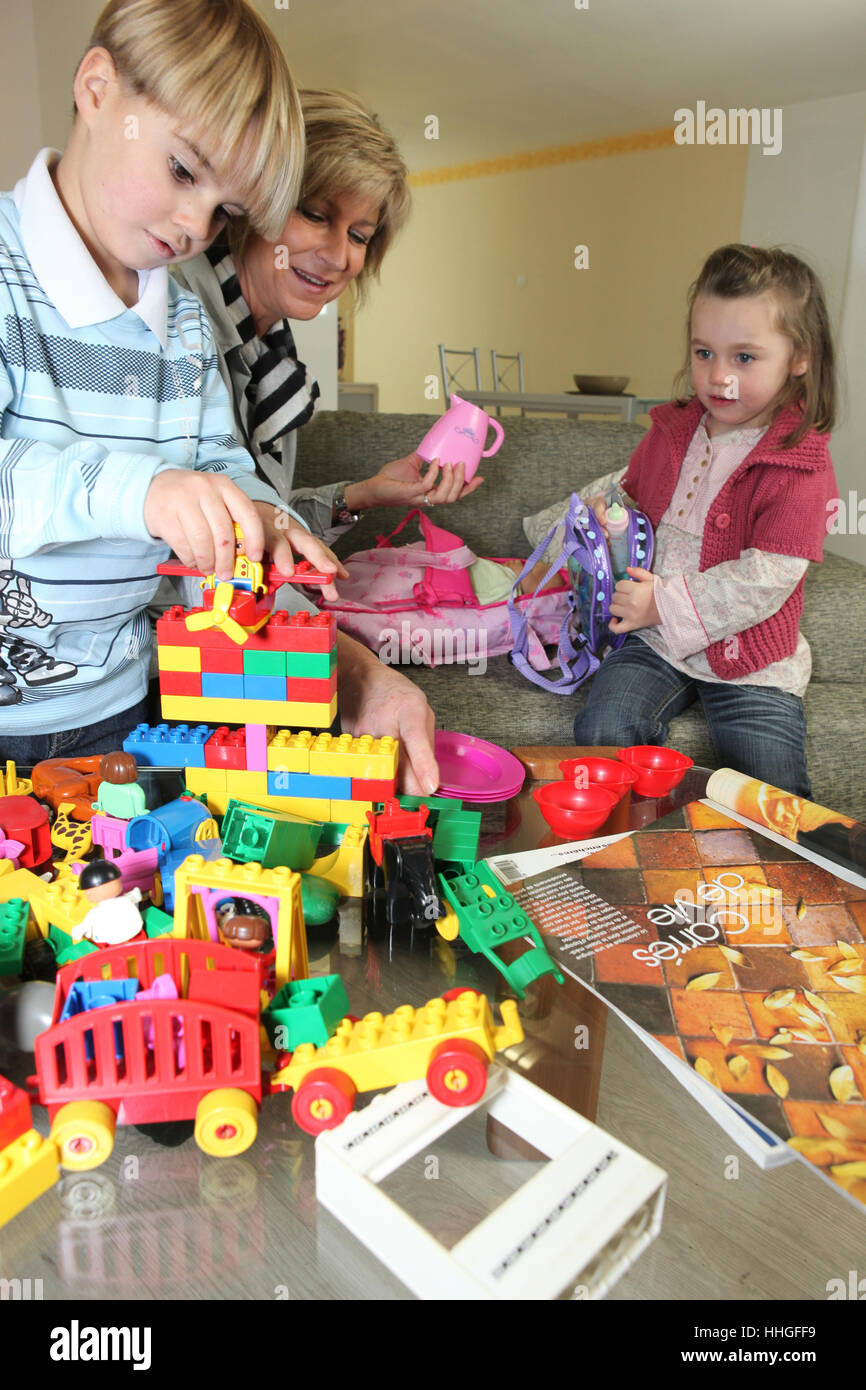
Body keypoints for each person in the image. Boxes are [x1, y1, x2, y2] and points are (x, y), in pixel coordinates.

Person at [0, 0, 344, 762]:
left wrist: (262, 515)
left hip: (119, 709)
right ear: (97, 89)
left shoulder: (186, 323)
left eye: (224, 211)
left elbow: (219, 460)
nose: (194, 225)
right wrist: (143, 490)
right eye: (183, 170)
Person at [525, 245, 838, 797]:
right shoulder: (672, 432)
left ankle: (775, 876)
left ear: (800, 357)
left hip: (753, 658)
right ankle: (630, 851)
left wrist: (663, 603)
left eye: (745, 357)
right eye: (703, 352)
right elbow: (627, 491)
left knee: (775, 789)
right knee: (602, 728)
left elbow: (769, 576)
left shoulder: (799, 462)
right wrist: (588, 520)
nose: (718, 376)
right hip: (655, 642)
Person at [172, 88, 484, 538]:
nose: (339, 257)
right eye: (315, 214)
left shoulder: (272, 357)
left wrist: (367, 495)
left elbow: (263, 521)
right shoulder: (176, 312)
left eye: (359, 236)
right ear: (255, 200)